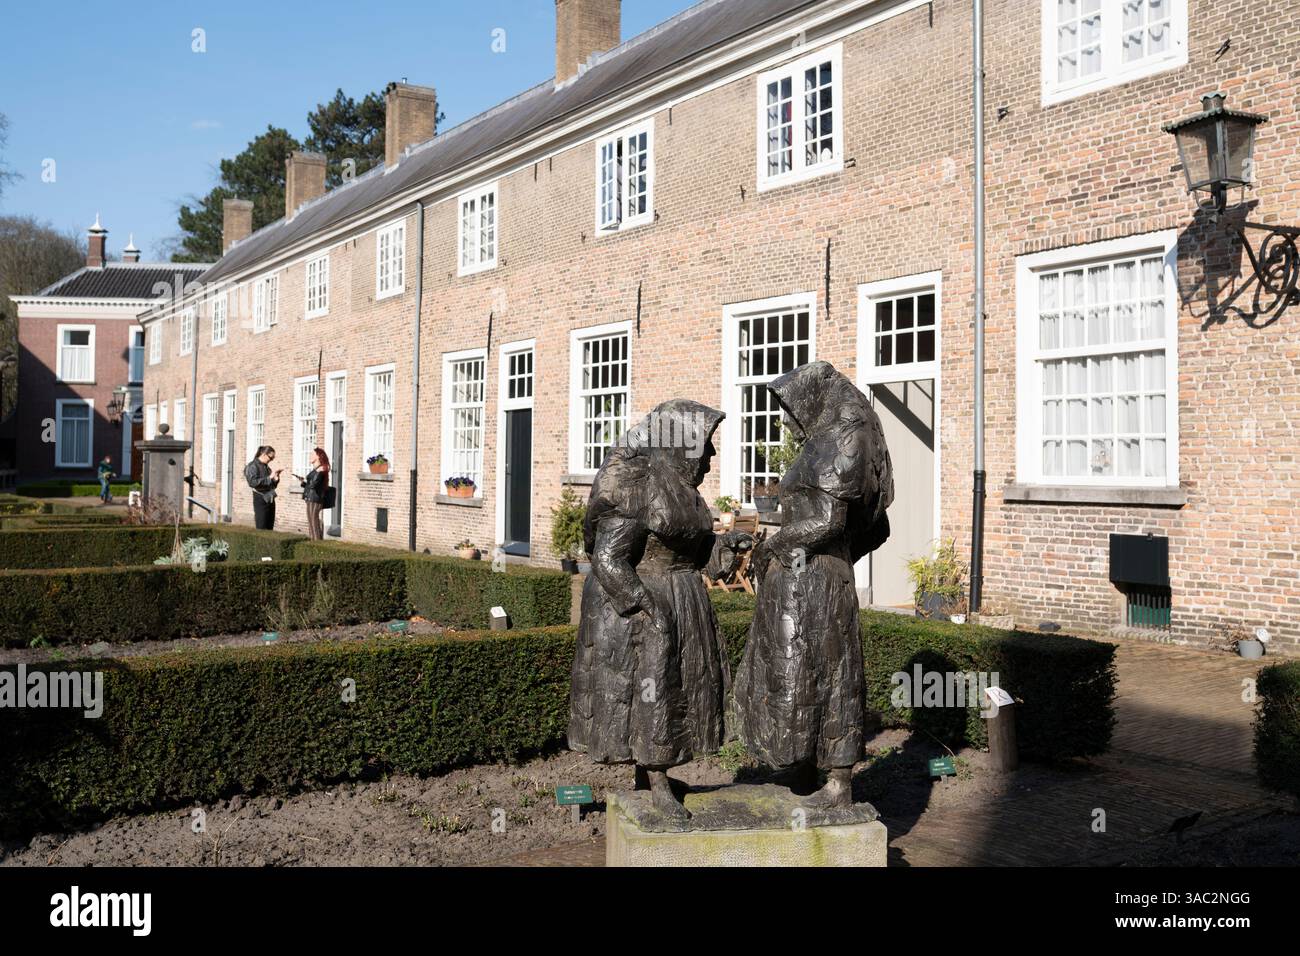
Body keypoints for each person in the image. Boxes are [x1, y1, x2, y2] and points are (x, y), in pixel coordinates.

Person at [569, 399, 752, 821]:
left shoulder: (685, 491)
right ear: (682, 442)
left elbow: (695, 553)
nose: (711, 453)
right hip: (647, 601)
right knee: (655, 689)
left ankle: (651, 775)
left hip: (682, 596)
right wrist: (648, 607)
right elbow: (609, 557)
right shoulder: (637, 485)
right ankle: (657, 783)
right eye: (705, 443)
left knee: (677, 689)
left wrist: (724, 547)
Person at [734, 361, 894, 808]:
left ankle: (839, 783)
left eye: (789, 409)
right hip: (801, 576)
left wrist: (772, 546)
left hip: (816, 578)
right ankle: (802, 763)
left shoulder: (844, 437)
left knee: (831, 671)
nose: (786, 420)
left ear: (810, 401)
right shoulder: (822, 439)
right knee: (799, 673)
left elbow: (829, 521)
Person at [244, 446, 284, 530]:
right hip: (260, 498)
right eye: (271, 457)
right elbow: (252, 482)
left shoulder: (266, 467)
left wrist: (276, 479)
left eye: (273, 458)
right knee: (261, 527)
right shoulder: (252, 466)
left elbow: (271, 485)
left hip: (270, 498)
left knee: (270, 527)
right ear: (264, 454)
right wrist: (269, 478)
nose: (271, 460)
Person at [298, 447, 330, 541]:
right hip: (311, 498)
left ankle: (317, 543)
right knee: (311, 522)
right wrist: (304, 483)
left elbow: (313, 485)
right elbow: (311, 485)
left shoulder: (321, 470)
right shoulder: (316, 470)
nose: (310, 456)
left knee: (313, 521)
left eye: (312, 454)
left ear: (318, 456)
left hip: (315, 499)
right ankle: (313, 542)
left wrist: (315, 474)